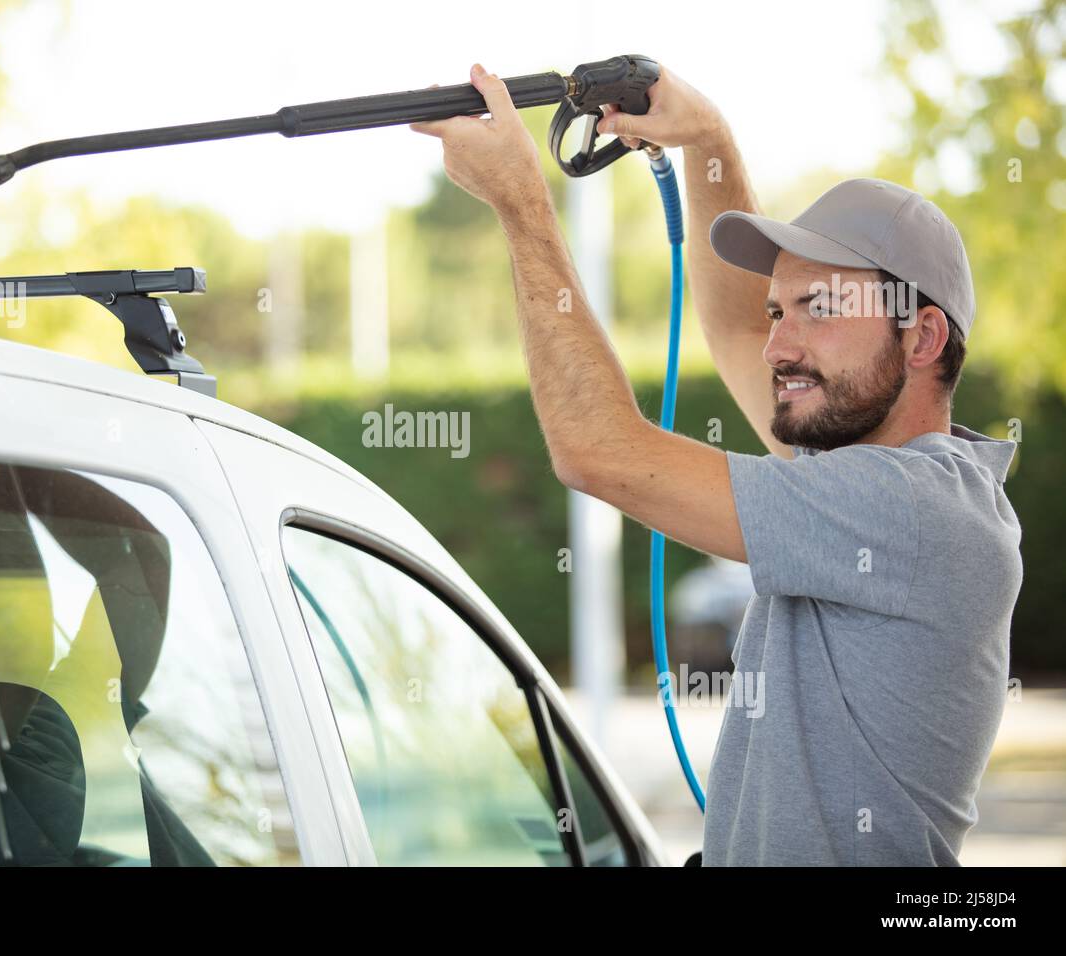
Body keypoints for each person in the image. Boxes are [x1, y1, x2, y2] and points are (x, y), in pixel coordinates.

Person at [411, 62, 1022, 865]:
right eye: (780, 309)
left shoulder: (913, 508)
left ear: (924, 338)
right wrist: (705, 142)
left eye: (820, 309)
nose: (778, 344)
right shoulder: (862, 470)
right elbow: (736, 332)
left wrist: (522, 202)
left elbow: (598, 450)